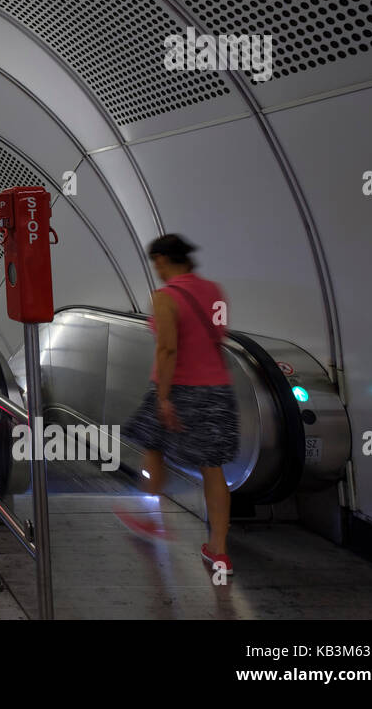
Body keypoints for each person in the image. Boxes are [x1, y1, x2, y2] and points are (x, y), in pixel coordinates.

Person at [115, 234, 240, 576]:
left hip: (178, 386)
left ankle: (151, 520)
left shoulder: (165, 297)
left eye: (156, 261)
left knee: (152, 445)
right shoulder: (215, 291)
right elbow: (219, 334)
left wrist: (166, 397)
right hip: (217, 389)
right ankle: (219, 551)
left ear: (161, 260)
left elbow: (168, 348)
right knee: (212, 467)